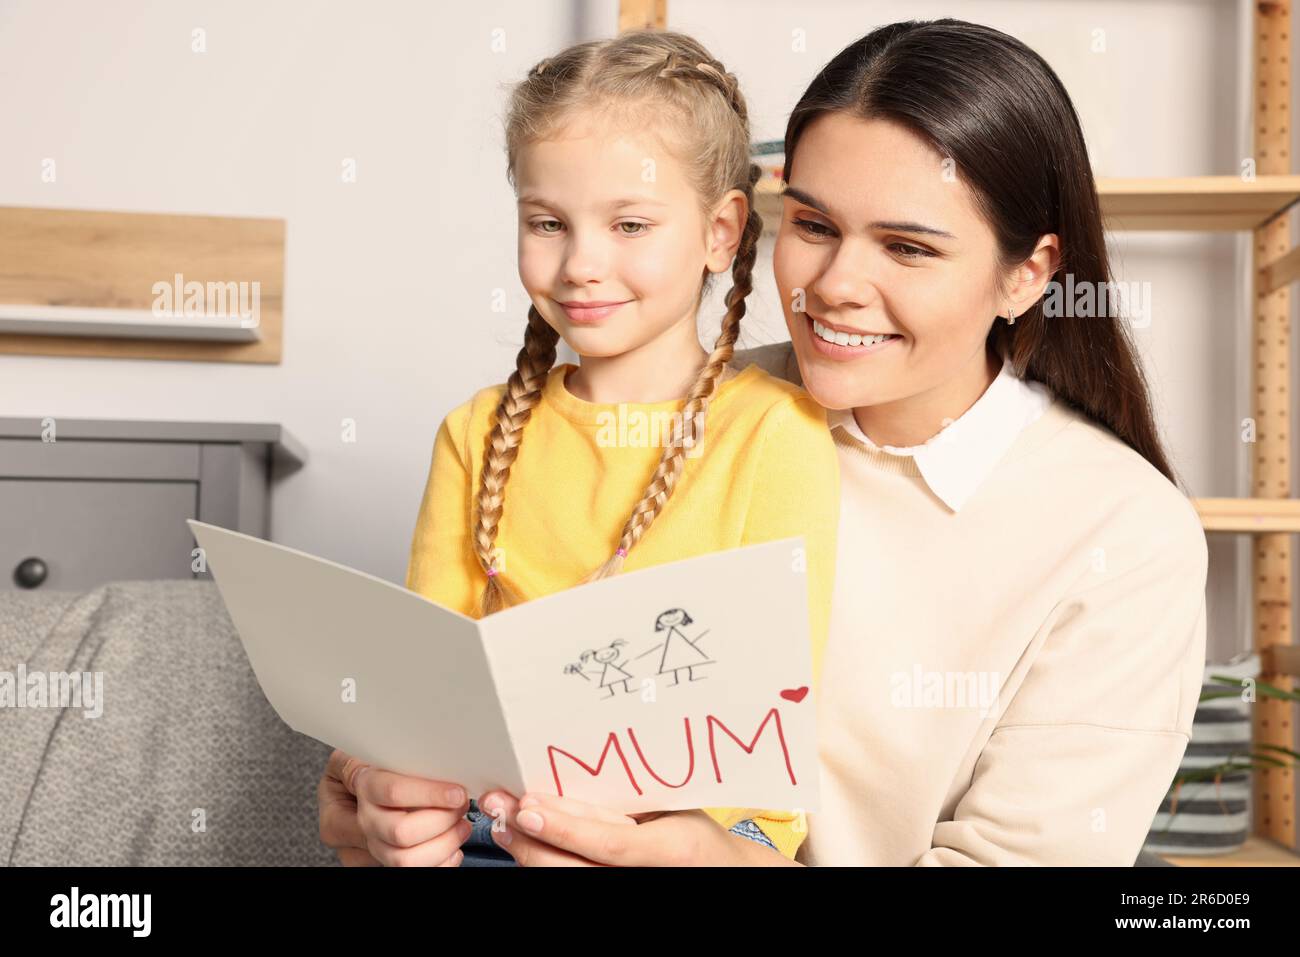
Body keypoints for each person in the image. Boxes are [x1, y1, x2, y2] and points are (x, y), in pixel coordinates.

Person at [320, 18, 1208, 866]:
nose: (836, 286)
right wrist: (369, 789)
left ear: (1026, 275)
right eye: (815, 226)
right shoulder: (687, 405)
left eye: (906, 247)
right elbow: (459, 689)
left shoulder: (1123, 537)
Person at [320, 29, 841, 867]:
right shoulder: (474, 432)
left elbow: (767, 723)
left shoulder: (776, 435)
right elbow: (421, 695)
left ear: (720, 232)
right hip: (494, 829)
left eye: (630, 223)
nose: (581, 264)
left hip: (699, 841)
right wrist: (387, 795)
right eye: (548, 222)